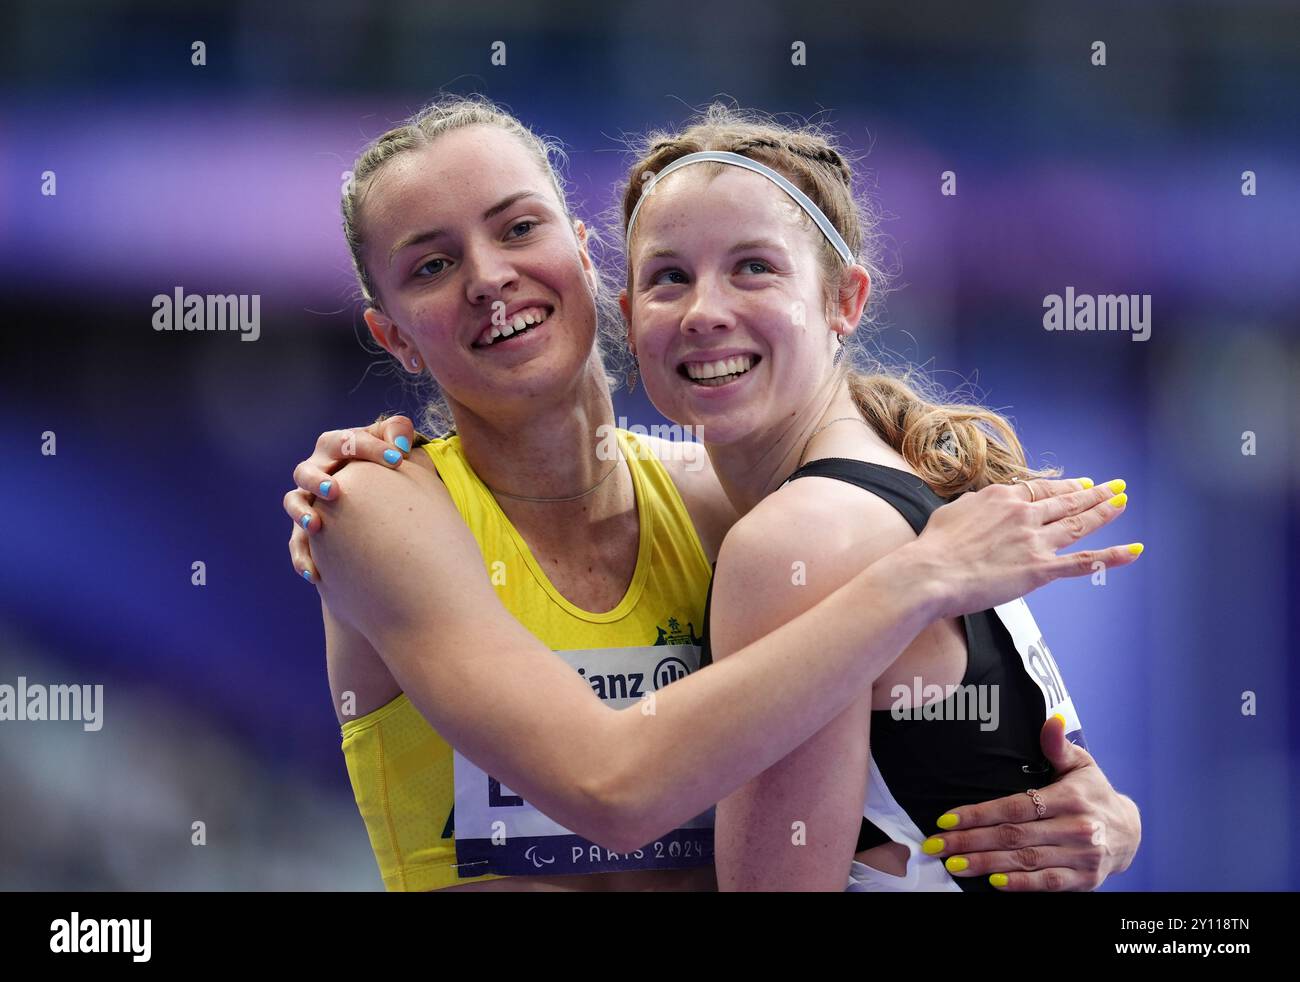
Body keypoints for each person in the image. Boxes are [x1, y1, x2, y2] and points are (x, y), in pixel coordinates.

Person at [283, 95, 1140, 892]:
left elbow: (962, 738)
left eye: (518, 227)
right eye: (431, 264)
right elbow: (610, 788)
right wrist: (918, 580)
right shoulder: (373, 510)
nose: (488, 277)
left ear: (584, 255)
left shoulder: (735, 507)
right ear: (391, 332)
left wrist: (1104, 811)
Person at [616, 107, 1142, 890]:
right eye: (669, 277)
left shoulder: (798, 540)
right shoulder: (895, 483)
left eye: (754, 267)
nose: (704, 311)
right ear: (627, 320)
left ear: (845, 301)